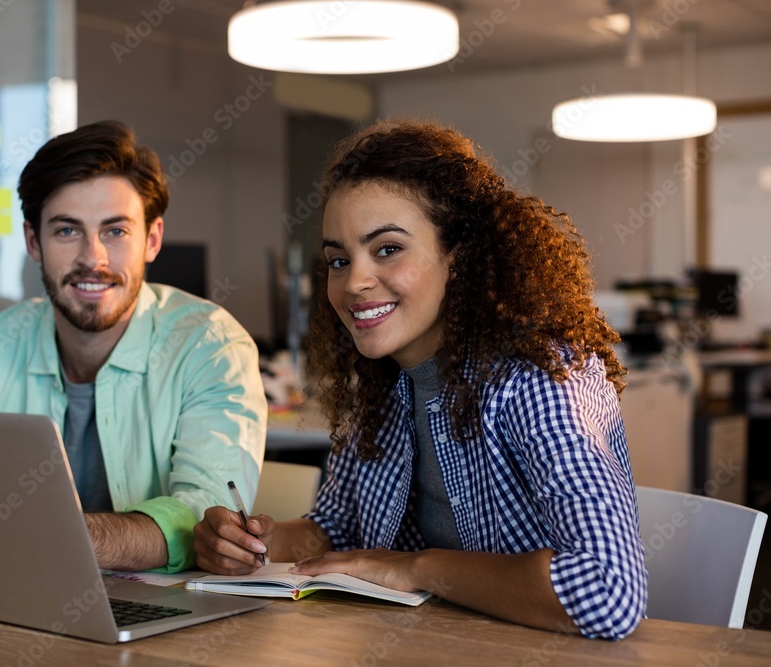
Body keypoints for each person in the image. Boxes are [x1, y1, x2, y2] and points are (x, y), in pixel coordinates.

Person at [194, 119, 647, 639]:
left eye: (387, 248)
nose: (354, 282)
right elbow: (336, 530)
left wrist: (415, 568)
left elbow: (608, 592)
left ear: (458, 256)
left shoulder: (539, 377)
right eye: (338, 259)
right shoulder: (382, 384)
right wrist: (252, 544)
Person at [0, 121, 267, 573]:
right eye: (67, 231)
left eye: (115, 232)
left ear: (152, 239)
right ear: (33, 242)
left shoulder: (211, 347)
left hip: (164, 606)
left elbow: (207, 516)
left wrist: (53, 534)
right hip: (11, 595)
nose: (92, 258)